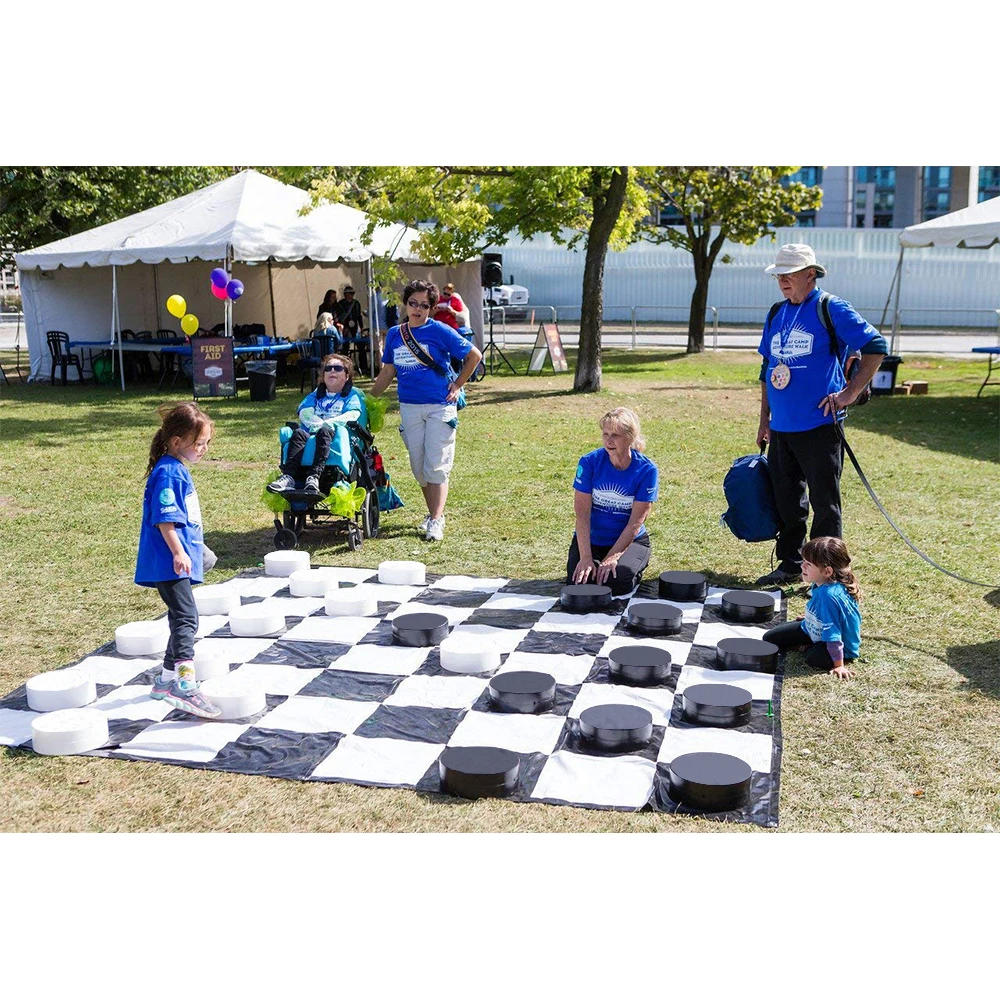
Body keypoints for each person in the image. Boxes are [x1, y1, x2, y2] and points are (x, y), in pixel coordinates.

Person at [755, 243, 887, 586]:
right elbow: (767, 369)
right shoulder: (776, 313)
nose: (782, 280)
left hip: (820, 426)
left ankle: (828, 574)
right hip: (781, 428)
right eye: (778, 274)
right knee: (787, 501)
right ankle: (790, 565)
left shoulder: (831, 308)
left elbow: (876, 347)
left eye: (790, 273)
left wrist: (850, 392)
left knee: (825, 504)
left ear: (810, 274)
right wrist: (764, 420)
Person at [369, 278, 483, 542]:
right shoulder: (397, 334)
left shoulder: (440, 330)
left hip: (439, 407)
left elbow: (474, 355)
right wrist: (368, 399)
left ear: (431, 307)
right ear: (405, 304)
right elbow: (388, 371)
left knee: (437, 466)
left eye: (424, 305)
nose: (417, 309)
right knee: (419, 468)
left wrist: (457, 384)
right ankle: (433, 513)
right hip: (409, 407)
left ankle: (436, 519)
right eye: (412, 303)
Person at [135, 402, 221, 719]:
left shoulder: (174, 468)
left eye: (206, 443)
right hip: (168, 561)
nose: (203, 449)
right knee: (187, 618)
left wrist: (196, 551)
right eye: (199, 444)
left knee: (179, 615)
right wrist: (179, 552)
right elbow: (164, 520)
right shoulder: (168, 472)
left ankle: (166, 679)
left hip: (175, 558)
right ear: (176, 442)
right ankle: (184, 685)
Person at [567, 407, 659, 596]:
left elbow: (636, 521)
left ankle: (634, 566)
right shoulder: (589, 462)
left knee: (614, 583)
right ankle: (594, 561)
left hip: (629, 541)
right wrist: (585, 558)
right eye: (605, 434)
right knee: (580, 584)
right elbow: (582, 514)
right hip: (593, 539)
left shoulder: (647, 470)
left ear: (630, 437)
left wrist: (613, 556)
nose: (609, 440)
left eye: (615, 435)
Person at [762, 536, 861, 681]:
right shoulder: (821, 583)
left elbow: (833, 634)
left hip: (840, 645)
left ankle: (808, 647)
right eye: (803, 561)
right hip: (814, 629)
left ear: (827, 571)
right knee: (770, 637)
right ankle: (808, 642)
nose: (802, 566)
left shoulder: (829, 595)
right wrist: (812, 618)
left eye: (808, 564)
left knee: (814, 658)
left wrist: (838, 665)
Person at [268, 353, 364, 495]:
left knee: (324, 431)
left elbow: (353, 414)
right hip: (311, 430)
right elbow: (304, 412)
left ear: (347, 376)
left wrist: (328, 423)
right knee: (298, 433)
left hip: (334, 433)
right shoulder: (315, 395)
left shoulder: (352, 396)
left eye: (337, 368)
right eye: (328, 368)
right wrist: (317, 423)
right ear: (323, 375)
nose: (332, 371)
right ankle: (289, 477)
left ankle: (314, 477)